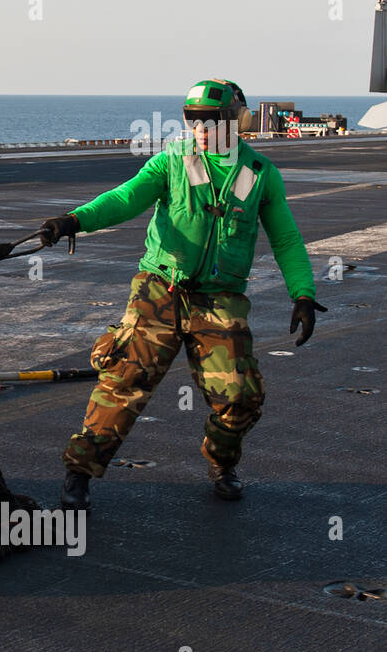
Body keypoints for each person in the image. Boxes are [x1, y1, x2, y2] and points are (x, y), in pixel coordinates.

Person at [39, 79, 325, 510]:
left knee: (242, 398)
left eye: (212, 122)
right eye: (194, 121)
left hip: (220, 298)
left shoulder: (259, 174)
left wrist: (303, 294)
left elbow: (286, 240)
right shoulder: (173, 161)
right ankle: (78, 474)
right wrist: (75, 221)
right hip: (161, 290)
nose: (201, 130)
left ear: (238, 122)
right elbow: (125, 198)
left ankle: (221, 462)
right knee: (125, 382)